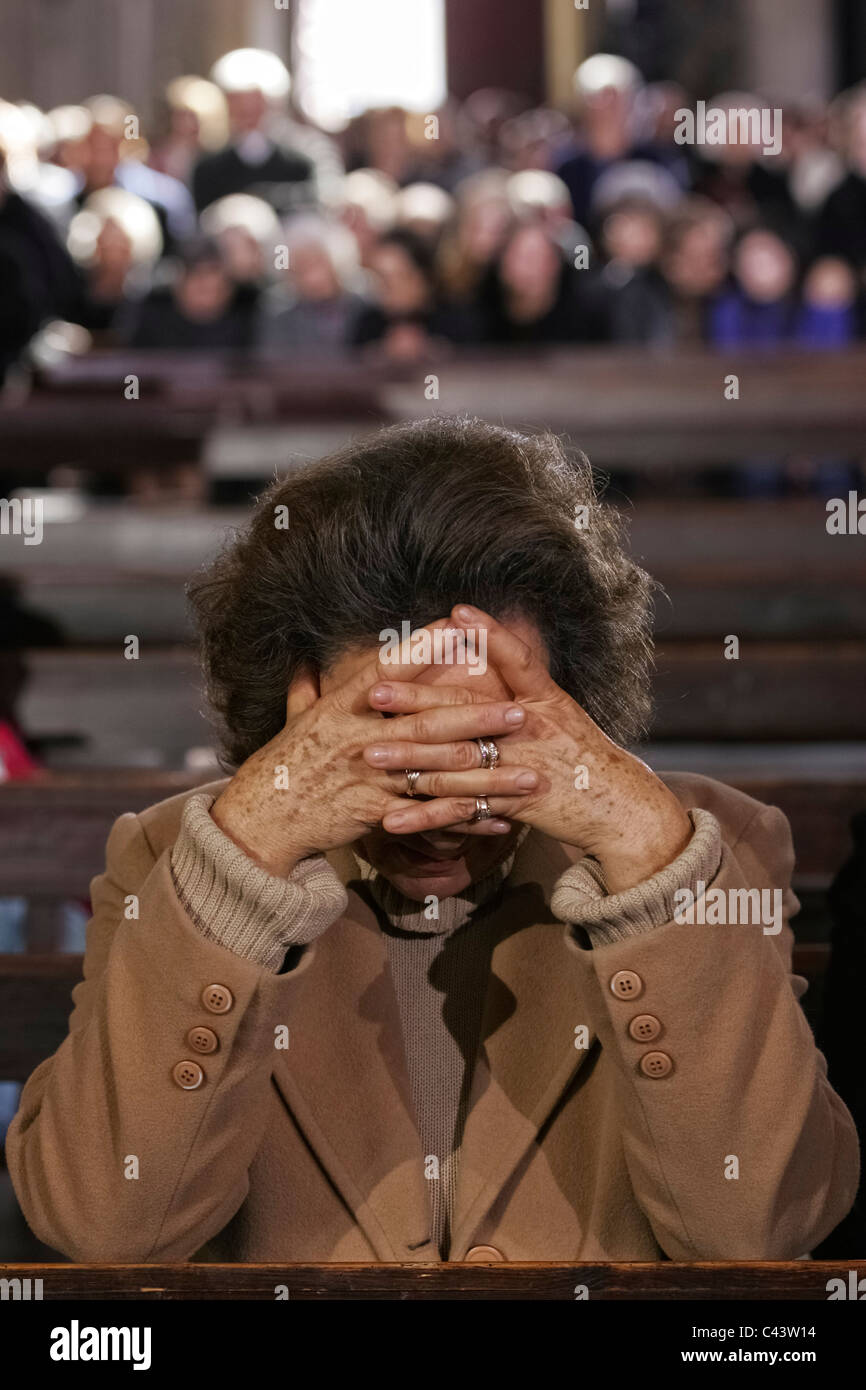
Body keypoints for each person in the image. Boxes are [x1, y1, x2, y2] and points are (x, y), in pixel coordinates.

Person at [7, 417, 858, 1263]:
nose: (448, 809)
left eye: (491, 746)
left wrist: (651, 867)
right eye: (396, 742)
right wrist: (254, 851)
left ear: (574, 710)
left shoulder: (701, 849)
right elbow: (106, 1231)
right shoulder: (177, 858)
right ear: (297, 709)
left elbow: (759, 1232)